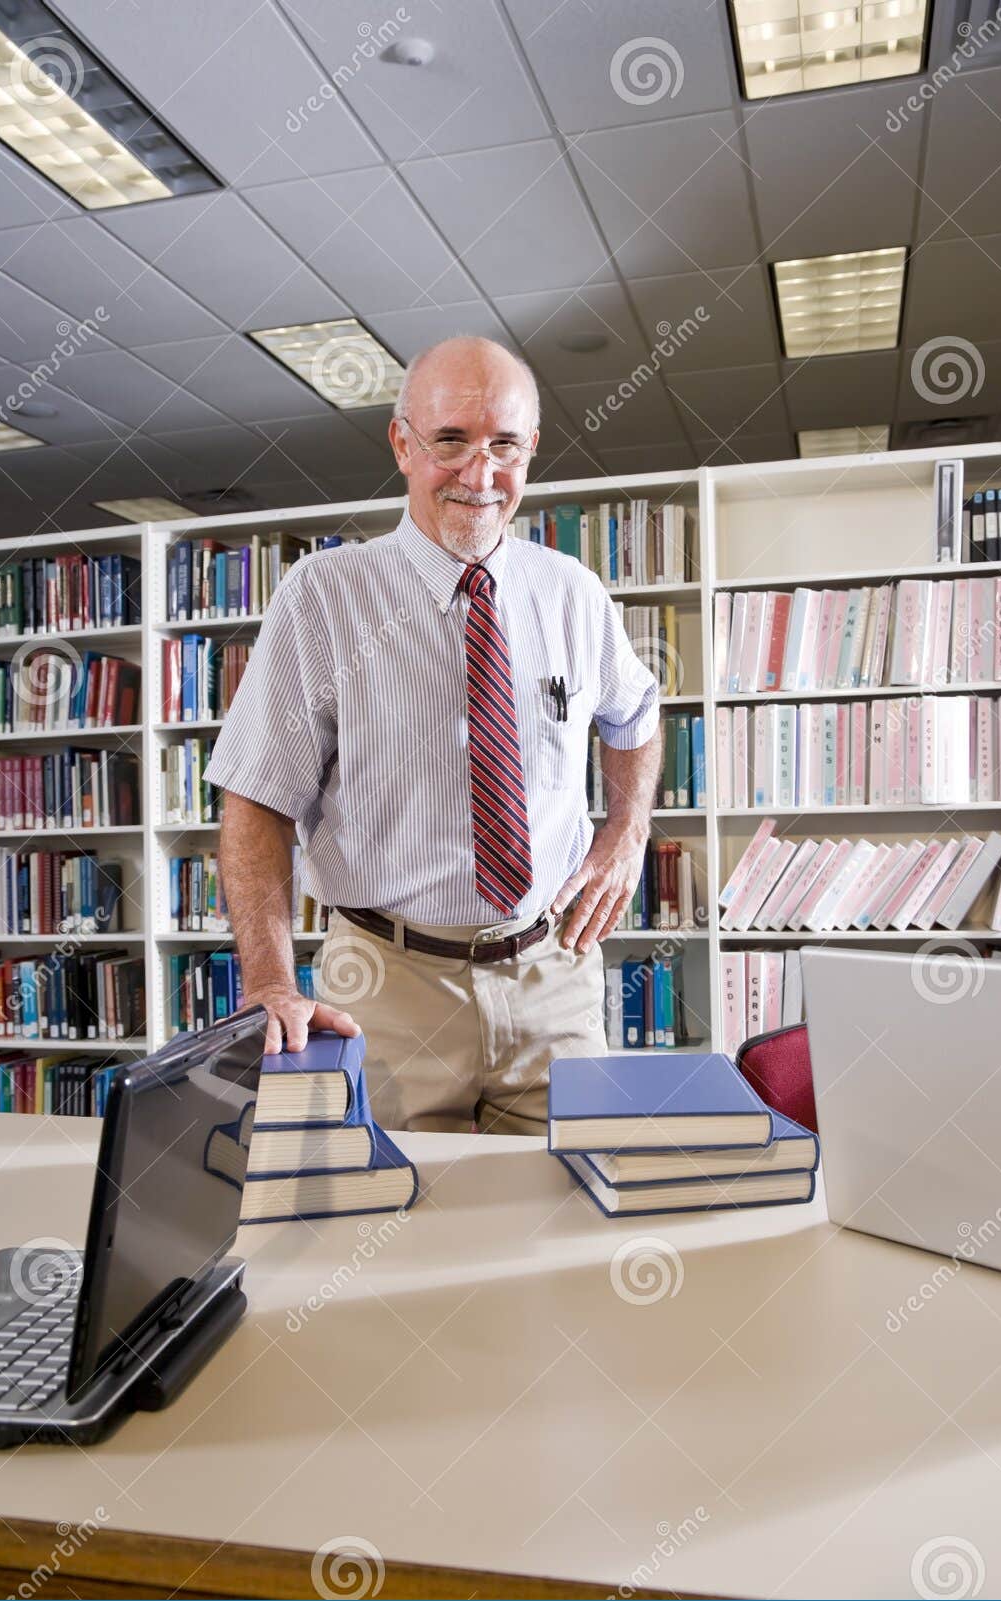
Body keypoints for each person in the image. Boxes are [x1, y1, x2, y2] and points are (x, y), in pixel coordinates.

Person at [204, 336, 660, 1134]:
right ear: (403, 443)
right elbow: (256, 798)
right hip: (384, 983)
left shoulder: (573, 593)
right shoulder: (323, 596)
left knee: (571, 1219)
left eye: (504, 446)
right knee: (394, 1237)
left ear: (530, 451)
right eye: (450, 441)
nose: (479, 476)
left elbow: (634, 716)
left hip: (553, 976)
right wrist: (271, 982)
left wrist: (626, 831)